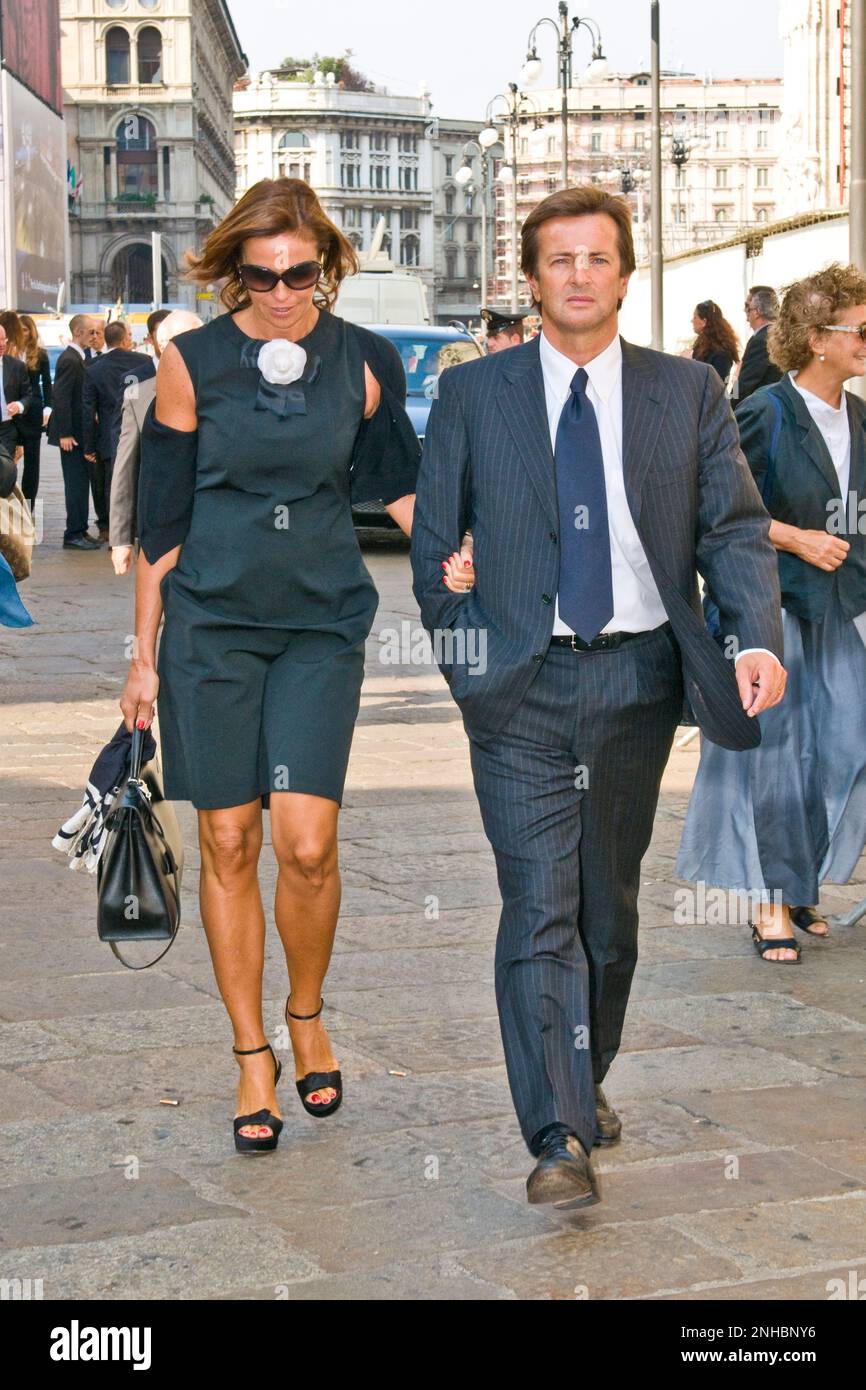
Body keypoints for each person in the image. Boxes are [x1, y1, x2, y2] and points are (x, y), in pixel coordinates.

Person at [411, 185, 786, 1211]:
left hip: (635, 680)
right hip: (520, 688)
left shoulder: (684, 393)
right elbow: (433, 546)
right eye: (557, 260)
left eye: (596, 258)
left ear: (624, 273)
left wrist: (754, 633)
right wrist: (470, 663)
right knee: (539, 902)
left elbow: (733, 529)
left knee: (605, 914)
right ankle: (556, 1128)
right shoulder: (474, 396)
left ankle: (586, 1072)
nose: (577, 275)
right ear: (528, 279)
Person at [120, 177, 420, 1155]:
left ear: (325, 266)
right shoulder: (188, 363)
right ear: (232, 271)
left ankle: (305, 1010)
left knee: (304, 842)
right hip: (210, 628)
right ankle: (252, 1053)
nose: (282, 292)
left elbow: (401, 496)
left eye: (299, 274)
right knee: (227, 841)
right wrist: (141, 659)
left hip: (320, 627)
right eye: (261, 275)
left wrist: (480, 579)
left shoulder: (363, 362)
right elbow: (160, 524)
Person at [677, 263, 866, 963]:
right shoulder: (765, 413)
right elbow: (718, 509)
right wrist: (794, 537)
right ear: (819, 338)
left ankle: (797, 879)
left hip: (844, 608)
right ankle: (769, 902)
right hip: (769, 608)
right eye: (863, 328)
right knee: (775, 757)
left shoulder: (861, 418)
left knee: (848, 749)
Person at [110, 311, 203, 576]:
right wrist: (120, 539)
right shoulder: (138, 396)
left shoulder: (226, 389)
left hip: (215, 526)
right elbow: (125, 468)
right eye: (182, 340)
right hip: (159, 528)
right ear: (163, 346)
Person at [82, 319, 155, 538]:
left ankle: (113, 531)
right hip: (143, 429)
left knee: (111, 483)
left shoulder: (93, 368)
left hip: (108, 435)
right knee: (140, 478)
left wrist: (89, 446)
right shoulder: (144, 361)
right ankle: (138, 526)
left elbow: (88, 409)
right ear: (125, 339)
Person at [48, 315, 102, 550]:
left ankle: (80, 528)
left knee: (81, 483)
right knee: (76, 484)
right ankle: (73, 534)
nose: (94, 336)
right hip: (71, 436)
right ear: (78, 333)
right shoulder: (69, 359)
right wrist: (65, 433)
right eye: (90, 332)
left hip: (79, 434)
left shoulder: (79, 357)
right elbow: (61, 397)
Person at [16, 314, 53, 511]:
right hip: (13, 413)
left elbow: (47, 383)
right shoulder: (8, 353)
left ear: (31, 331)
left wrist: (49, 407)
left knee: (32, 463)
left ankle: (28, 508)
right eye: (19, 329)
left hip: (33, 412)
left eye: (26, 329)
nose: (23, 333)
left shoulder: (40, 354)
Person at [0, 320, 32, 502]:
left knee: (5, 475)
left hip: (6, 429)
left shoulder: (16, 366)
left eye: (4, 340)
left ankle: (5, 520)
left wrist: (19, 406)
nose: (2, 344)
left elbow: (28, 395)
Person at [736, 286, 782, 402]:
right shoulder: (776, 335)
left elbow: (745, 385)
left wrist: (728, 410)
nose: (744, 310)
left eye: (747, 306)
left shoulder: (761, 340)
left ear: (757, 312)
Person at [687, 299, 740, 387]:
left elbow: (716, 384)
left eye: (695, 317)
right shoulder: (703, 345)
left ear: (704, 321)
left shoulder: (720, 351)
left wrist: (688, 363)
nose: (691, 321)